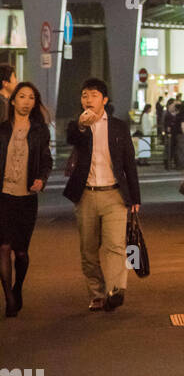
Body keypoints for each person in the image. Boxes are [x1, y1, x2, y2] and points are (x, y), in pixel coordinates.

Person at [64, 78, 141, 313]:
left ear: (104, 100)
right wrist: (81, 125)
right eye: (85, 95)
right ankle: (97, 293)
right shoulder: (77, 126)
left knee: (116, 246)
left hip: (114, 194)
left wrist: (135, 198)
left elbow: (129, 162)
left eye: (94, 95)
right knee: (88, 249)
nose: (88, 99)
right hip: (86, 195)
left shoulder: (118, 126)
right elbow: (72, 139)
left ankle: (116, 290)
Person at [0, 81, 52, 316]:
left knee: (21, 252)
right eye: (22, 96)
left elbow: (47, 160)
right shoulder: (2, 129)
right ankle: (9, 299)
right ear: (13, 101)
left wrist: (41, 178)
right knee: (3, 247)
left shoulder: (40, 131)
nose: (27, 101)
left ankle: (18, 287)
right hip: (3, 196)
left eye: (31, 97)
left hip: (26, 198)